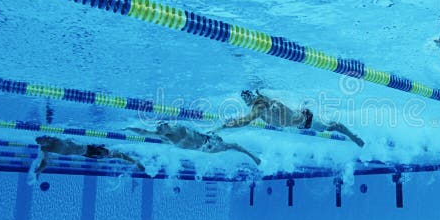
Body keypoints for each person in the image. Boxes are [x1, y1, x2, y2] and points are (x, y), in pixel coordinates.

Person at [217, 90, 365, 147]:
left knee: (334, 126)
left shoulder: (263, 105)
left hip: (307, 119)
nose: (246, 101)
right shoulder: (260, 109)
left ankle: (353, 136)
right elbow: (245, 119)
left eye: (246, 98)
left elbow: (246, 120)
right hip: (297, 121)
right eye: (244, 99)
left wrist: (226, 126)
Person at [126, 123, 261, 165]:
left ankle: (253, 156)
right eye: (160, 128)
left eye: (162, 125)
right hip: (204, 148)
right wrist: (128, 128)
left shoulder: (177, 125)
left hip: (207, 140)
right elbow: (143, 132)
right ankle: (254, 157)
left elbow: (197, 130)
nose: (160, 128)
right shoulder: (164, 135)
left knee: (233, 145)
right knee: (234, 145)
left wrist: (211, 134)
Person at [31, 136, 145, 181]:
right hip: (86, 153)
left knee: (116, 155)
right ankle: (135, 160)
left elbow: (67, 139)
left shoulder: (53, 139)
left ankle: (135, 161)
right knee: (114, 155)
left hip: (88, 148)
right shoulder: (45, 149)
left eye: (42, 140)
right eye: (40, 142)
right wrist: (38, 172)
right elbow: (45, 162)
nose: (42, 143)